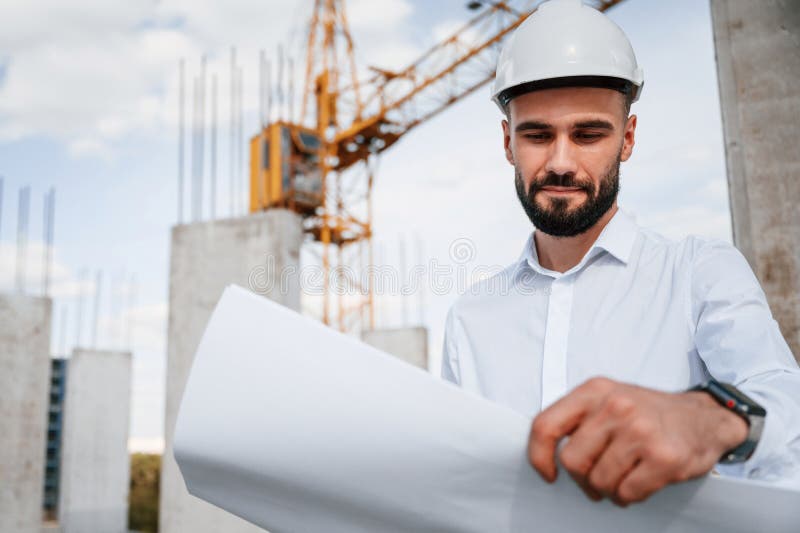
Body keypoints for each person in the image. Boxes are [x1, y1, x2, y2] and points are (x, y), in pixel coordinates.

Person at [440, 0, 800, 506]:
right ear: (507, 143)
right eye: (537, 135)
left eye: (588, 134)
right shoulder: (470, 320)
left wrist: (711, 416)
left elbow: (785, 399)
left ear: (627, 138)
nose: (561, 162)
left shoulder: (698, 274)